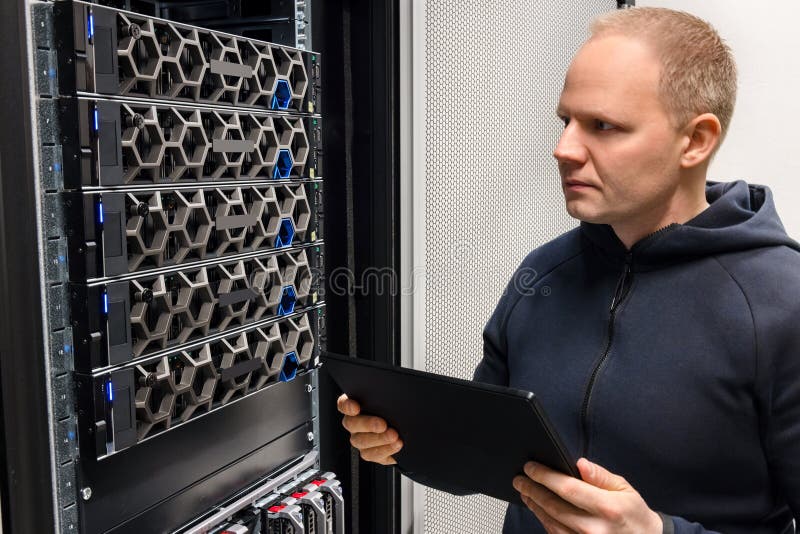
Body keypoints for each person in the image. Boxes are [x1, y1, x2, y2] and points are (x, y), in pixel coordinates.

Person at [337, 7, 800, 533]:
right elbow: (486, 452)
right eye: (567, 121)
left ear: (695, 141)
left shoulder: (782, 304)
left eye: (603, 126)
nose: (564, 149)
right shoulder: (545, 273)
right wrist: (404, 444)